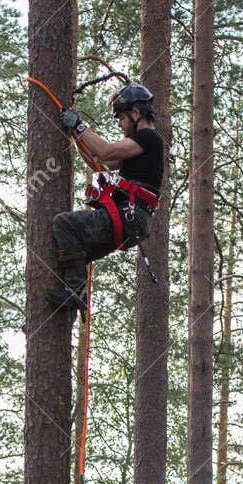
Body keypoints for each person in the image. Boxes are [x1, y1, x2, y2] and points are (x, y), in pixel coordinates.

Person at [47, 83, 165, 314]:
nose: (120, 124)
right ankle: (64, 305)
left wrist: (80, 126)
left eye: (121, 118)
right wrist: (76, 136)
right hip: (131, 221)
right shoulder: (138, 146)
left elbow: (105, 152)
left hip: (129, 217)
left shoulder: (148, 138)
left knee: (64, 223)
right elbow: (99, 163)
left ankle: (75, 293)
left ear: (136, 113)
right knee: (74, 257)